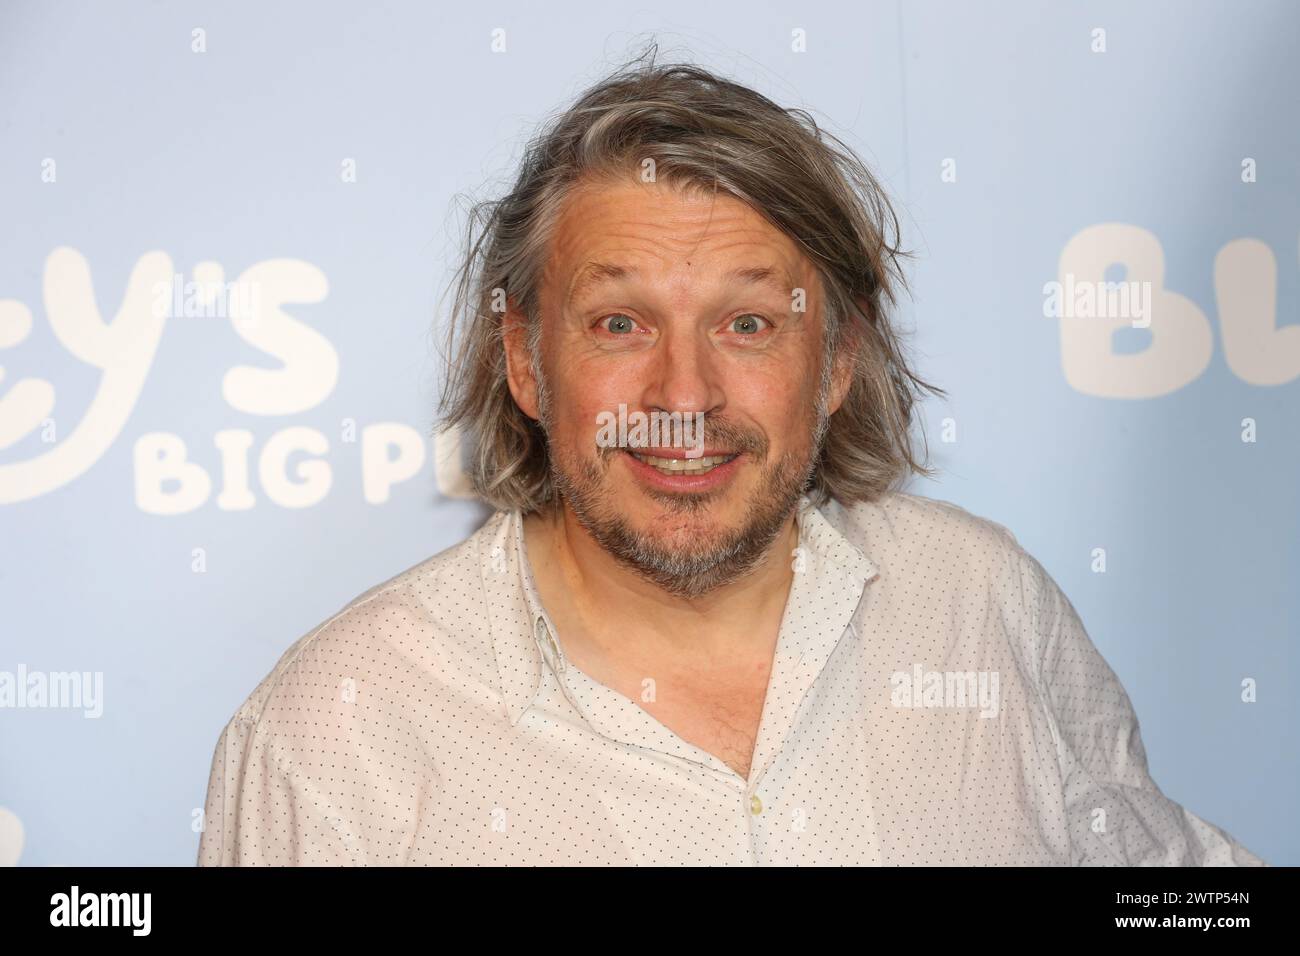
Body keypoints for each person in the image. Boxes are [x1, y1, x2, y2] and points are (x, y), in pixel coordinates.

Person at [197, 52, 1264, 866]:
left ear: (837, 358)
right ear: (523, 360)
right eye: (619, 324)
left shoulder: (980, 601)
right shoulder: (335, 734)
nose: (683, 396)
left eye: (748, 324)